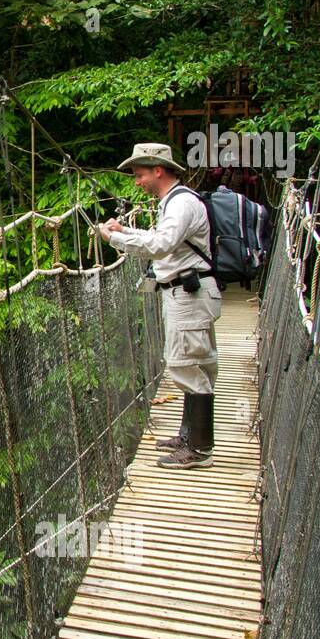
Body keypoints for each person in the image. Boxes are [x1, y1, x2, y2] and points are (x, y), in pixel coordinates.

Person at [98, 143, 222, 469]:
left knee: (185, 365)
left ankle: (198, 450)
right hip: (188, 294)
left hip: (188, 296)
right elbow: (163, 237)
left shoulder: (180, 203)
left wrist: (115, 239)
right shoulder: (175, 201)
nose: (137, 182)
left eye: (139, 175)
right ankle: (189, 436)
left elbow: (161, 245)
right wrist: (127, 230)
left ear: (157, 170)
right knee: (195, 364)